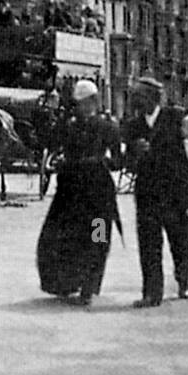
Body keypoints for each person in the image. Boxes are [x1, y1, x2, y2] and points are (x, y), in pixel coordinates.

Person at [122, 77, 188, 308]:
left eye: (141, 97)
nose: (136, 101)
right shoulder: (133, 126)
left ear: (154, 98)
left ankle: (183, 281)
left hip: (175, 193)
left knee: (180, 240)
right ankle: (152, 293)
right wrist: (134, 152)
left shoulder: (177, 117)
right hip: (147, 193)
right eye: (136, 97)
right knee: (148, 244)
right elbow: (126, 162)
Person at [36, 80, 123, 306]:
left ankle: (90, 286)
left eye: (86, 102)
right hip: (71, 190)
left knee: (98, 237)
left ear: (94, 101)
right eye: (79, 103)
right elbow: (52, 143)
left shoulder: (108, 126)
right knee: (61, 237)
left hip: (98, 192)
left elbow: (118, 161)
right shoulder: (69, 125)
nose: (83, 107)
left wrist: (105, 161)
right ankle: (65, 282)